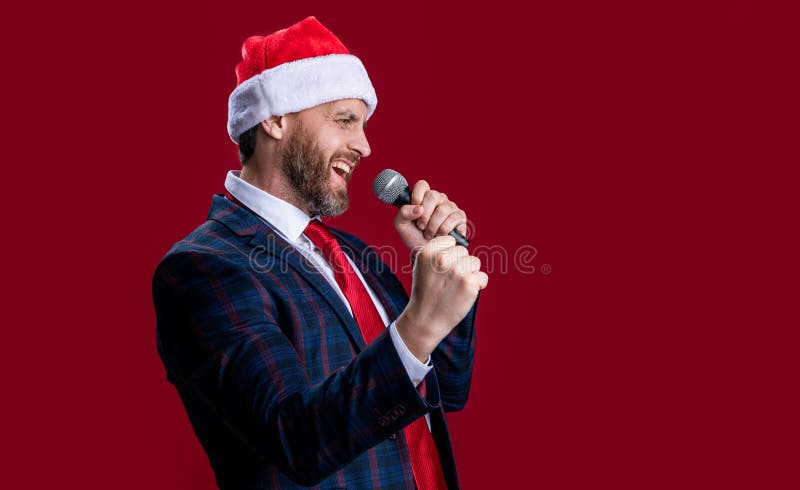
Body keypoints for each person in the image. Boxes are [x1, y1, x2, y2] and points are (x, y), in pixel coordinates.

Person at [152, 16, 488, 489]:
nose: (365, 146)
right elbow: (296, 438)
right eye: (345, 120)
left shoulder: (351, 254)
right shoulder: (204, 267)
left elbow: (445, 391)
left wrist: (438, 266)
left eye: (364, 125)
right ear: (274, 117)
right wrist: (418, 326)